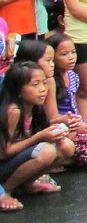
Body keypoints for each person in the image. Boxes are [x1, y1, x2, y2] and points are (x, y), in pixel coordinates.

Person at [0, 59, 72, 210]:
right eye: (35, 85)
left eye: (44, 83)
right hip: (3, 165)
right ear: (18, 90)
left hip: (15, 161)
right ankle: (5, 190)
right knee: (46, 151)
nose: (42, 89)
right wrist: (39, 137)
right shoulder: (13, 111)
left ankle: (26, 184)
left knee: (66, 146)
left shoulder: (36, 108)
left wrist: (65, 124)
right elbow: (4, 153)